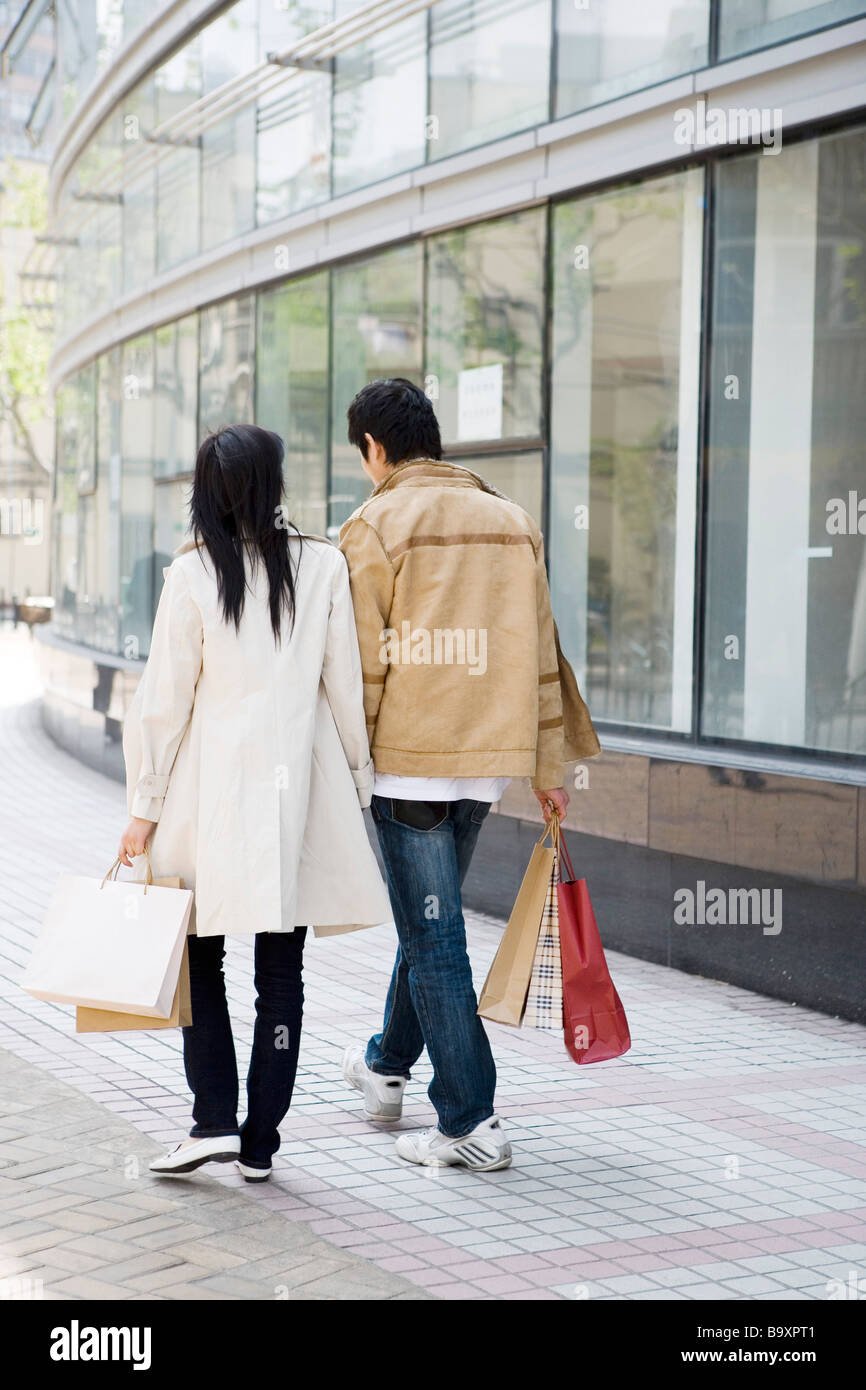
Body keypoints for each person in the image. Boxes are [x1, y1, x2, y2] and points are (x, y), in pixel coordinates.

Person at [338, 378, 600, 1171]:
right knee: (434, 923)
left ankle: (469, 1122)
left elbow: (362, 668)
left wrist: (351, 767)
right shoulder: (513, 522)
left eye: (363, 456)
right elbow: (542, 657)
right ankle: (387, 1066)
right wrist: (548, 766)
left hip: (410, 771)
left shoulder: (373, 524)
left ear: (375, 450)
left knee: (433, 934)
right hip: (485, 769)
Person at [118, 424, 391, 1182]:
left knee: (199, 960)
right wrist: (360, 788)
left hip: (208, 801)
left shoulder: (192, 576)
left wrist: (143, 808)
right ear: (273, 485)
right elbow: (346, 690)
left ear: (205, 491)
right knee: (282, 975)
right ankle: (260, 1143)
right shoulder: (324, 565)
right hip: (295, 800)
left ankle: (212, 1120)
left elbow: (163, 707)